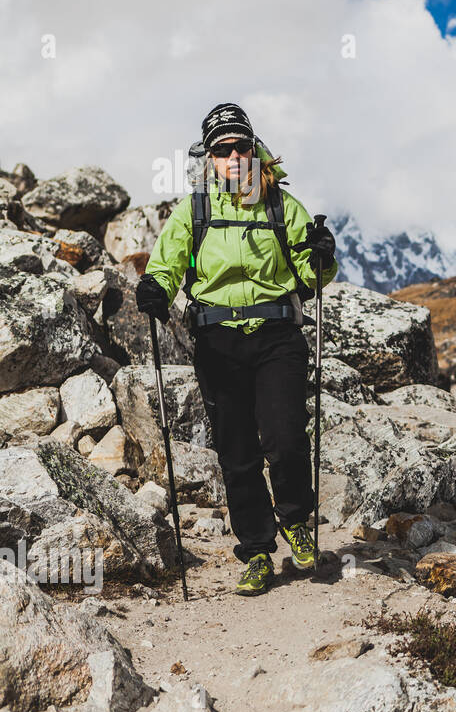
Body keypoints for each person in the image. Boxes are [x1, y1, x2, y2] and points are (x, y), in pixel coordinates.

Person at [135, 102, 338, 595]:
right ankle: (257, 553)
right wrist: (155, 289)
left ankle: (295, 520)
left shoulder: (281, 206)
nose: (232, 156)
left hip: (277, 338)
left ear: (254, 151)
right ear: (209, 157)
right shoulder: (194, 210)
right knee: (238, 453)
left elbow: (311, 278)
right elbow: (166, 264)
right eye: (221, 149)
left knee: (286, 438)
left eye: (240, 146)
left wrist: (323, 256)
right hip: (217, 341)